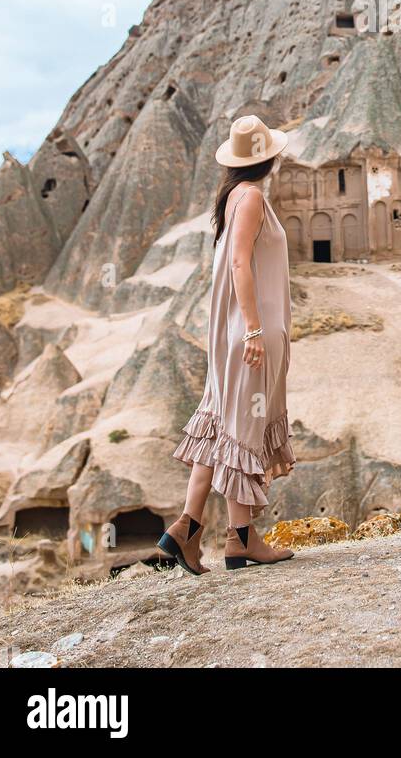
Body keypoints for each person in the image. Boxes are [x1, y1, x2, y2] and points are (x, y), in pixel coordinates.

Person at [158, 115, 296, 572]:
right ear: (269, 157)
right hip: (249, 334)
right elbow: (241, 265)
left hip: (234, 333)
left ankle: (184, 530)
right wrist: (255, 328)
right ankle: (240, 540)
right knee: (243, 430)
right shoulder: (253, 197)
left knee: (223, 426)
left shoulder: (234, 196)